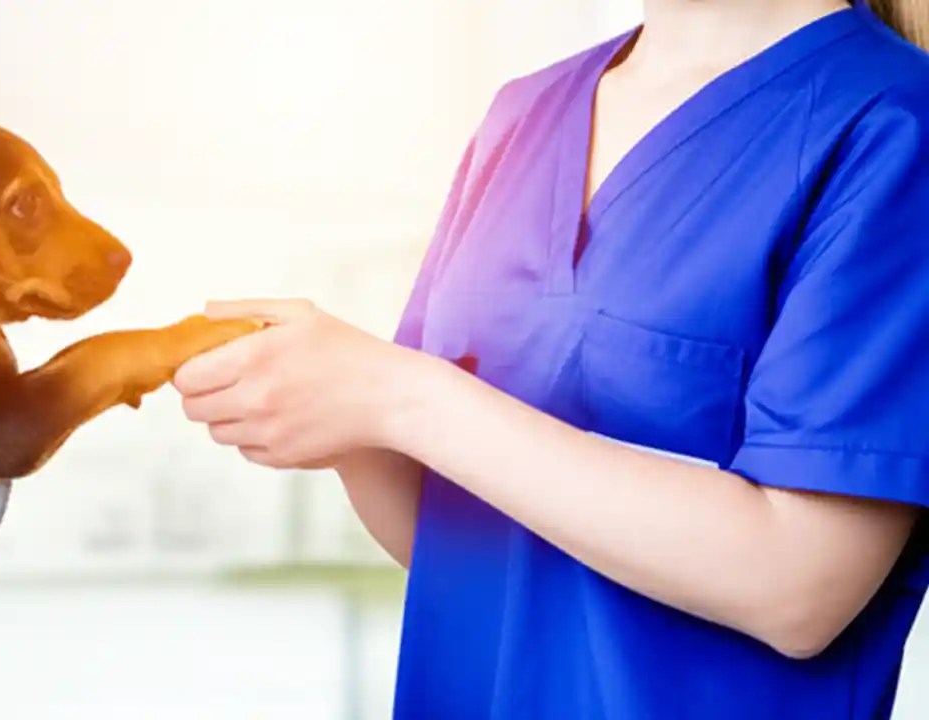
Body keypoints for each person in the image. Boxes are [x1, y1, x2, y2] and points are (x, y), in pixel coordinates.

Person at [172, 1, 929, 718]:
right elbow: (449, 544)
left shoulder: (893, 123)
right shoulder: (523, 114)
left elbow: (801, 586)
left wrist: (399, 397)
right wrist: (338, 420)